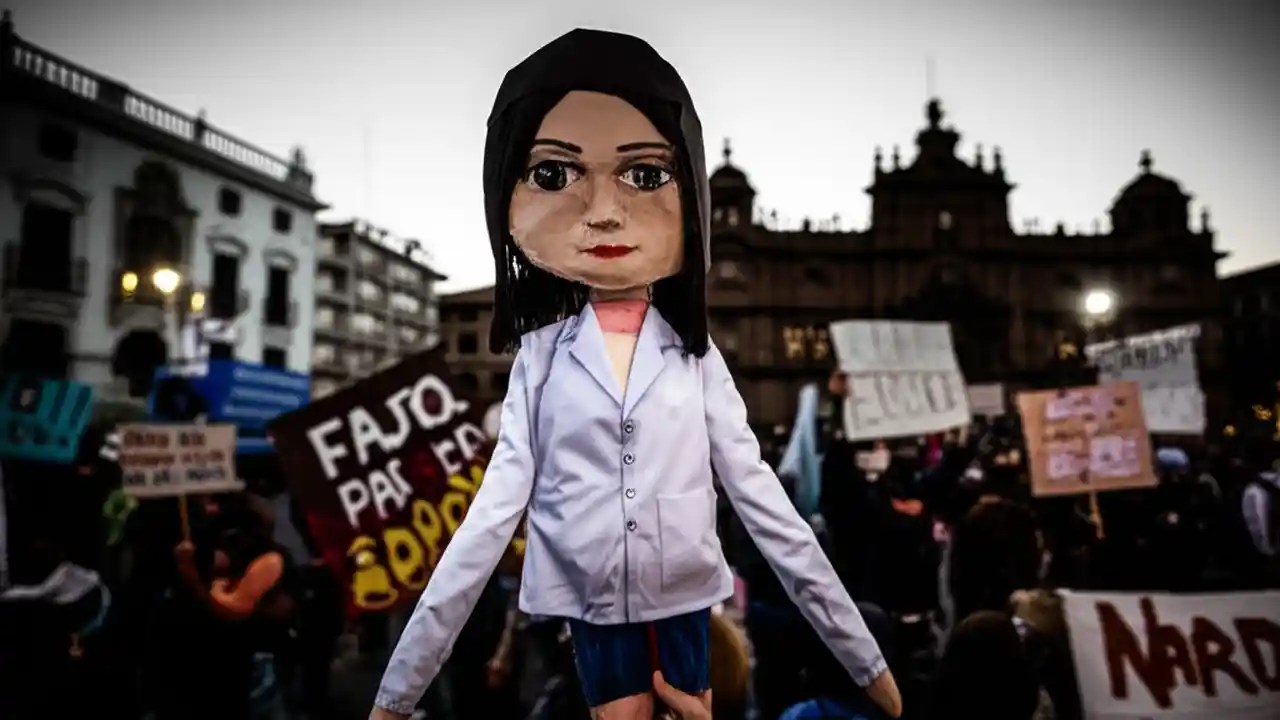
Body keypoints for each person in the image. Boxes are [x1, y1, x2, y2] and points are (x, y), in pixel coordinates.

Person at [372, 28, 899, 720]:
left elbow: (770, 510)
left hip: (684, 597)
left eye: (645, 175)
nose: (604, 211)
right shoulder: (539, 355)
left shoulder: (697, 356)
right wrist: (400, 685)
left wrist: (860, 655)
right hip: (585, 602)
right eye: (554, 175)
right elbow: (487, 520)